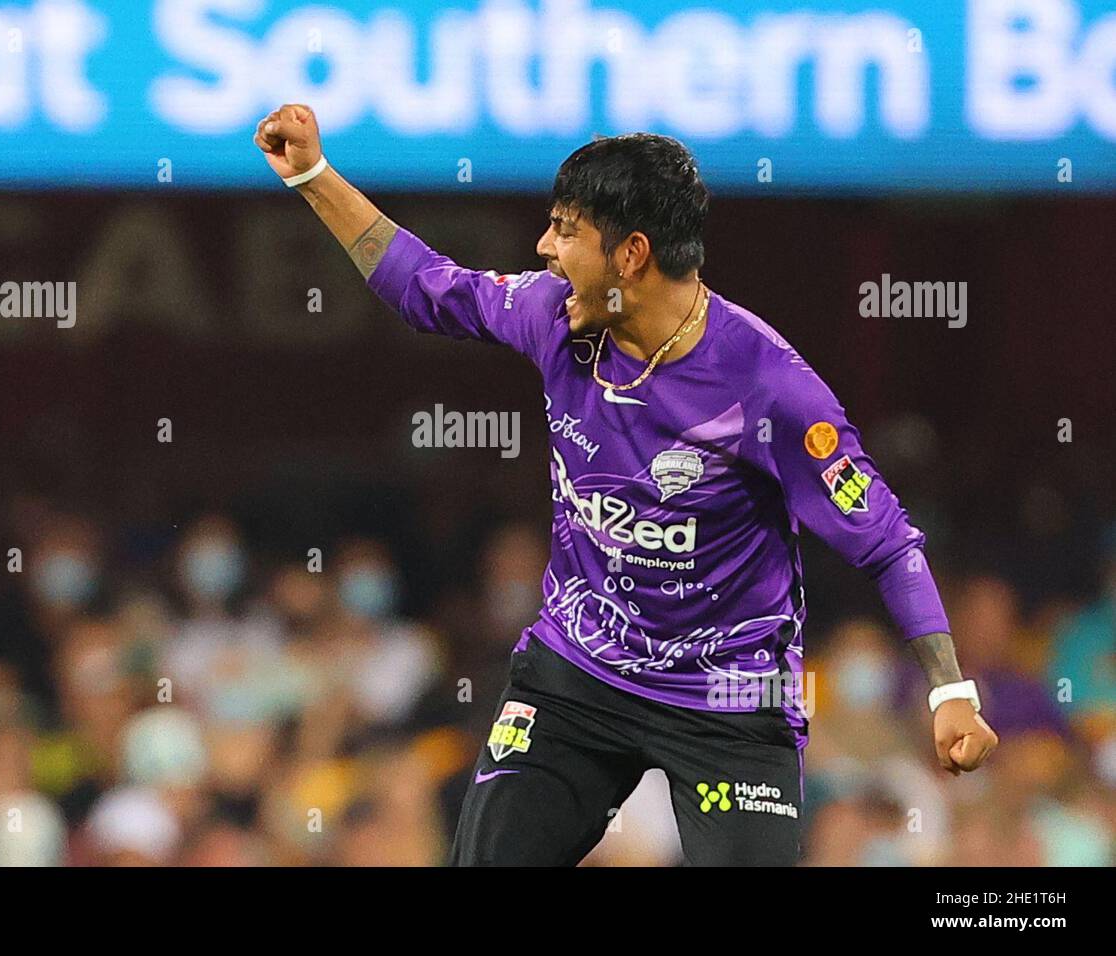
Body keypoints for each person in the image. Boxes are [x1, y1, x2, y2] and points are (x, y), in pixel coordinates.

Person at [253, 103, 999, 866]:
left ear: (632, 254)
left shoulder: (768, 386)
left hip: (729, 699)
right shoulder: (555, 315)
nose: (543, 249)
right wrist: (313, 175)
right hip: (576, 676)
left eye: (566, 230)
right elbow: (426, 287)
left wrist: (948, 693)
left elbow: (886, 543)